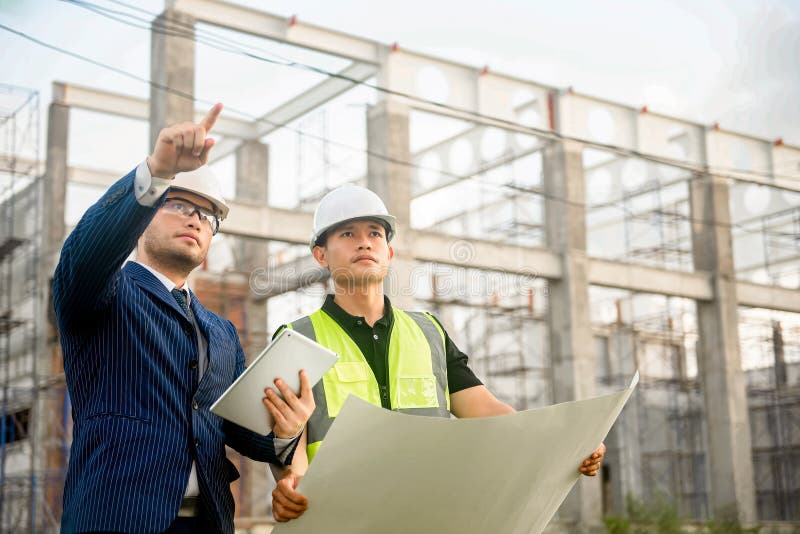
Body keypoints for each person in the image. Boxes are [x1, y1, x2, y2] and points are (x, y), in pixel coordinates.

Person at [270, 184, 607, 522]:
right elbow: (288, 440)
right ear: (321, 255)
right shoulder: (297, 340)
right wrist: (289, 484)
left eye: (375, 233)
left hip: (433, 518)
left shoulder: (429, 332)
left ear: (389, 252)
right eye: (347, 233)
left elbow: (488, 412)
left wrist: (566, 442)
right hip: (344, 522)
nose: (364, 242)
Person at [53, 104, 314, 534]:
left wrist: (286, 431)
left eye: (207, 215)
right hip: (116, 520)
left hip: (208, 522)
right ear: (142, 218)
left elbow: (236, 427)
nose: (195, 218)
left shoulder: (222, 333)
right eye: (179, 204)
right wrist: (157, 172)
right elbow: (84, 254)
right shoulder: (104, 294)